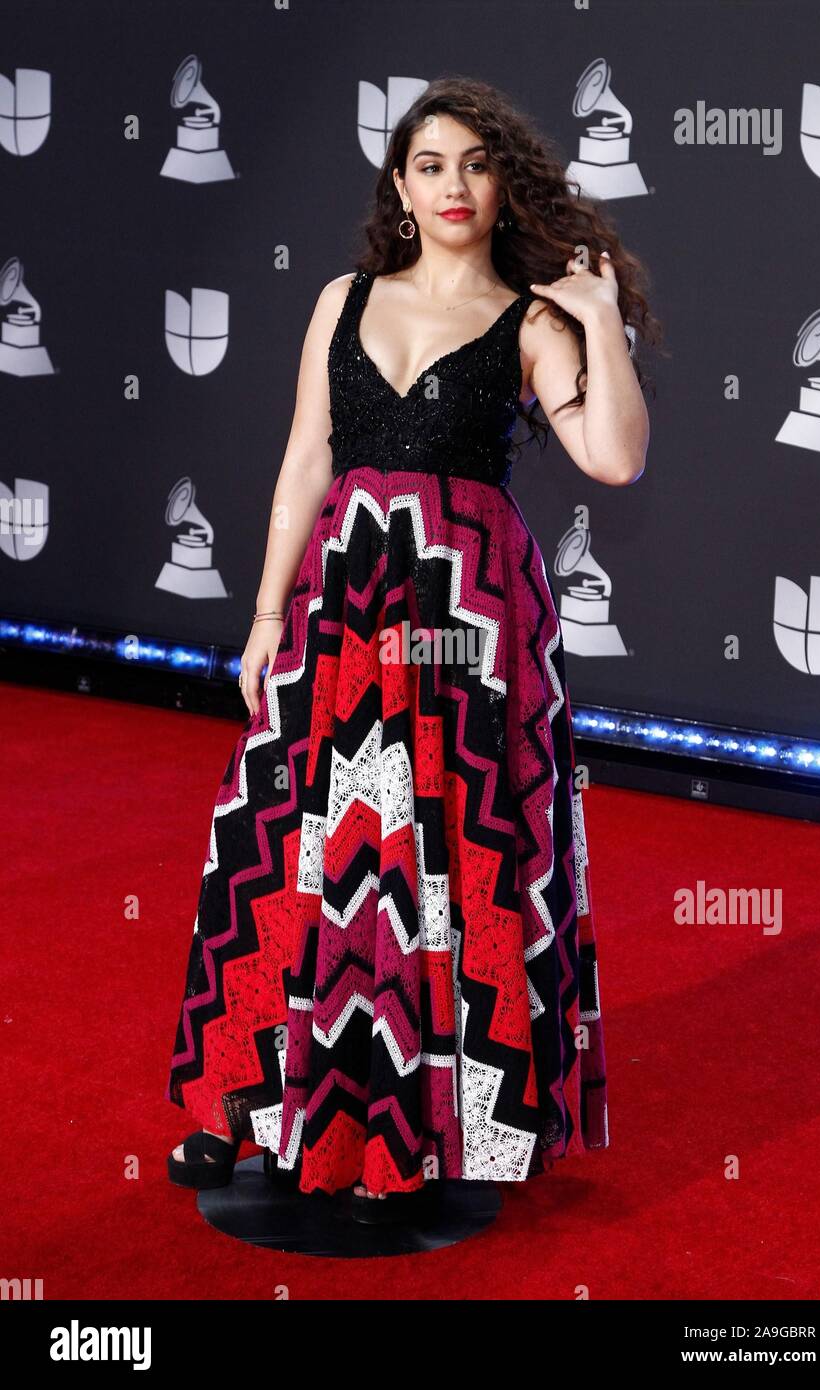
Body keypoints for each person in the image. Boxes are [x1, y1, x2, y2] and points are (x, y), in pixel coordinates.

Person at [165, 75, 656, 1226]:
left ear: (502, 186)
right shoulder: (342, 299)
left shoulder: (531, 321)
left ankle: (417, 1127)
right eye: (429, 163)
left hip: (466, 626)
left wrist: (593, 319)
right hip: (338, 607)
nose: (452, 185)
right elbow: (303, 462)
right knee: (284, 840)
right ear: (398, 181)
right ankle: (240, 1106)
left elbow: (616, 460)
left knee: (440, 859)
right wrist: (264, 617)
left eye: (474, 165)